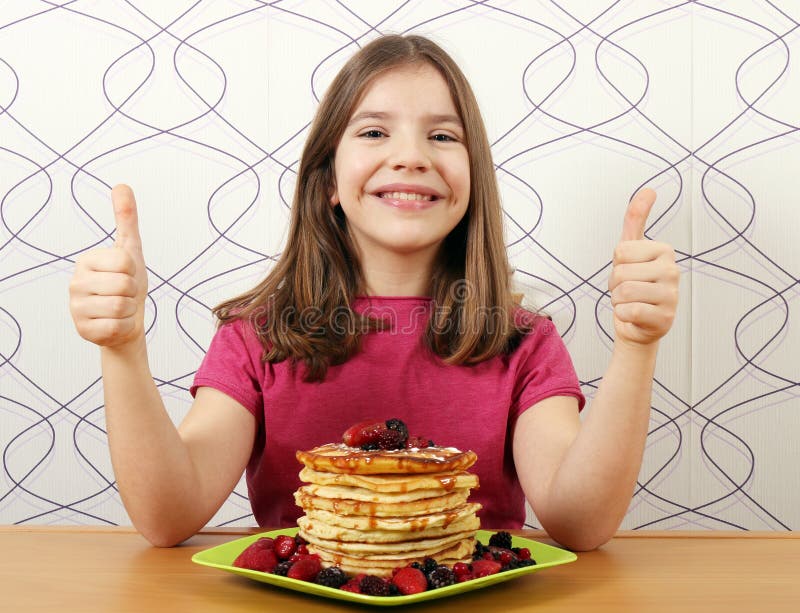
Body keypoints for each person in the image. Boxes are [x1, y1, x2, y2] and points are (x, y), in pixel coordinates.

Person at [68, 34, 679, 549]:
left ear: (474, 182)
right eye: (374, 133)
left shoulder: (522, 342)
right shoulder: (256, 337)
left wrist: (637, 345)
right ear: (328, 180)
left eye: (443, 136)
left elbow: (581, 523)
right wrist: (122, 349)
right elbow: (168, 515)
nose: (411, 156)